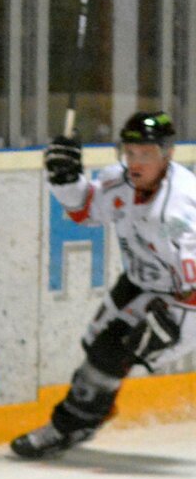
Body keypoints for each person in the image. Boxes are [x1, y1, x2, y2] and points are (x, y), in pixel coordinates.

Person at [15, 110, 196, 459]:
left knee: (109, 353)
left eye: (146, 154)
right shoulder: (121, 182)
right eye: (130, 153)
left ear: (167, 154)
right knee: (96, 344)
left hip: (183, 302)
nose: (135, 163)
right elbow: (86, 210)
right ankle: (90, 411)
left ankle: (69, 425)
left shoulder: (178, 211)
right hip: (140, 281)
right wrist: (66, 180)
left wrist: (172, 319)